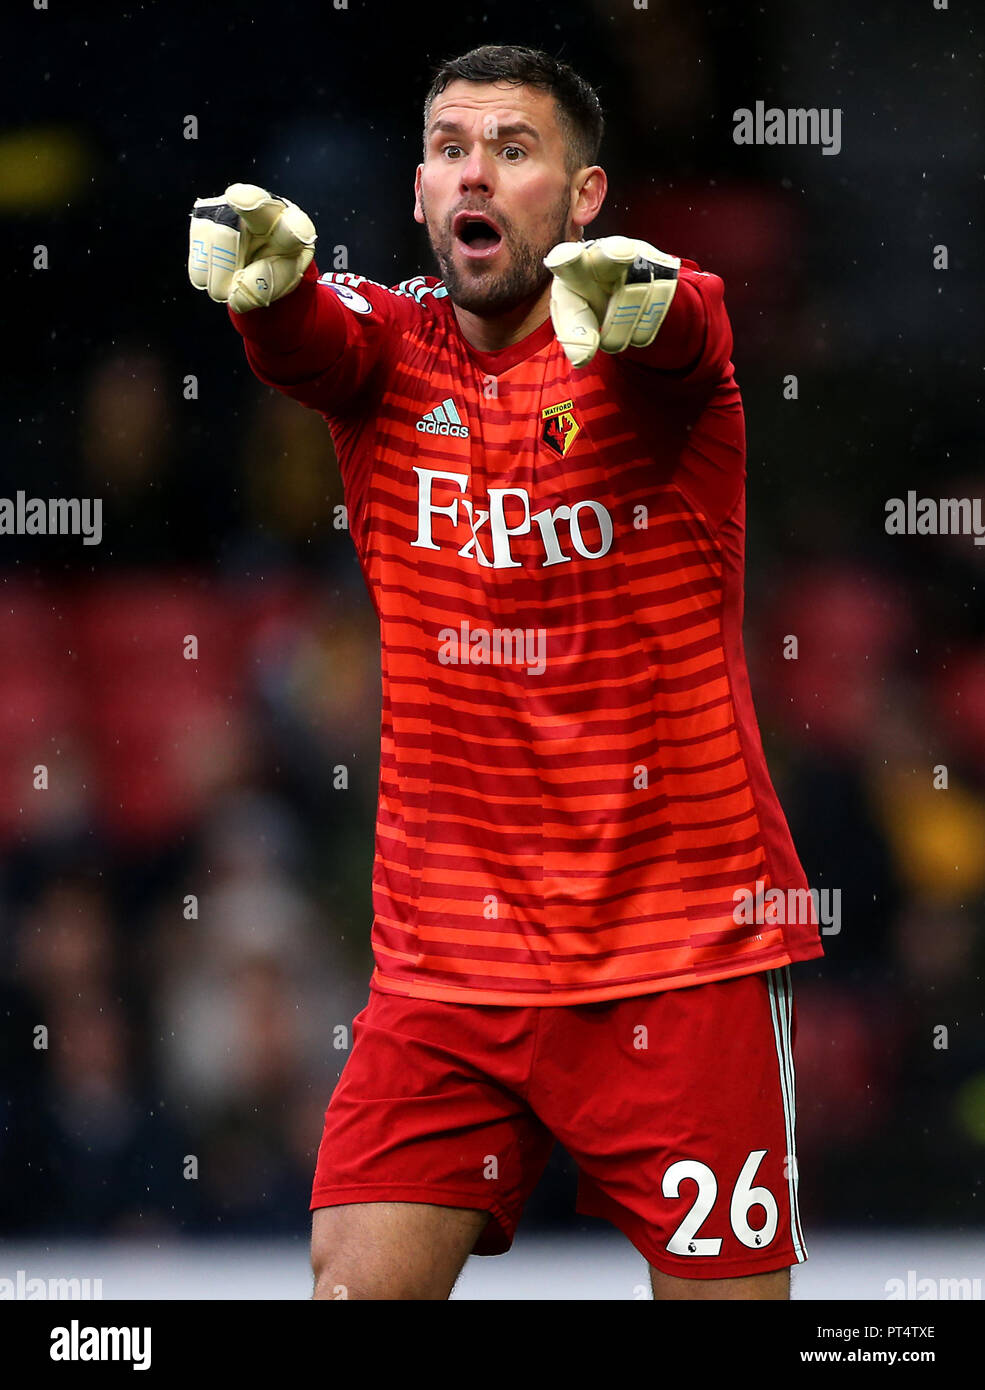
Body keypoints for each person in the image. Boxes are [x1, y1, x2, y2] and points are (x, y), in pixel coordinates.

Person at [188, 42, 824, 1301]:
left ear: (583, 196)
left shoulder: (657, 337)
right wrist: (262, 298)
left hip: (678, 947)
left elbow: (682, 326)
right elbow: (311, 337)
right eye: (450, 148)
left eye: (514, 149)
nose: (475, 169)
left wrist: (639, 300)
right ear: (422, 191)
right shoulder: (386, 350)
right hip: (448, 966)